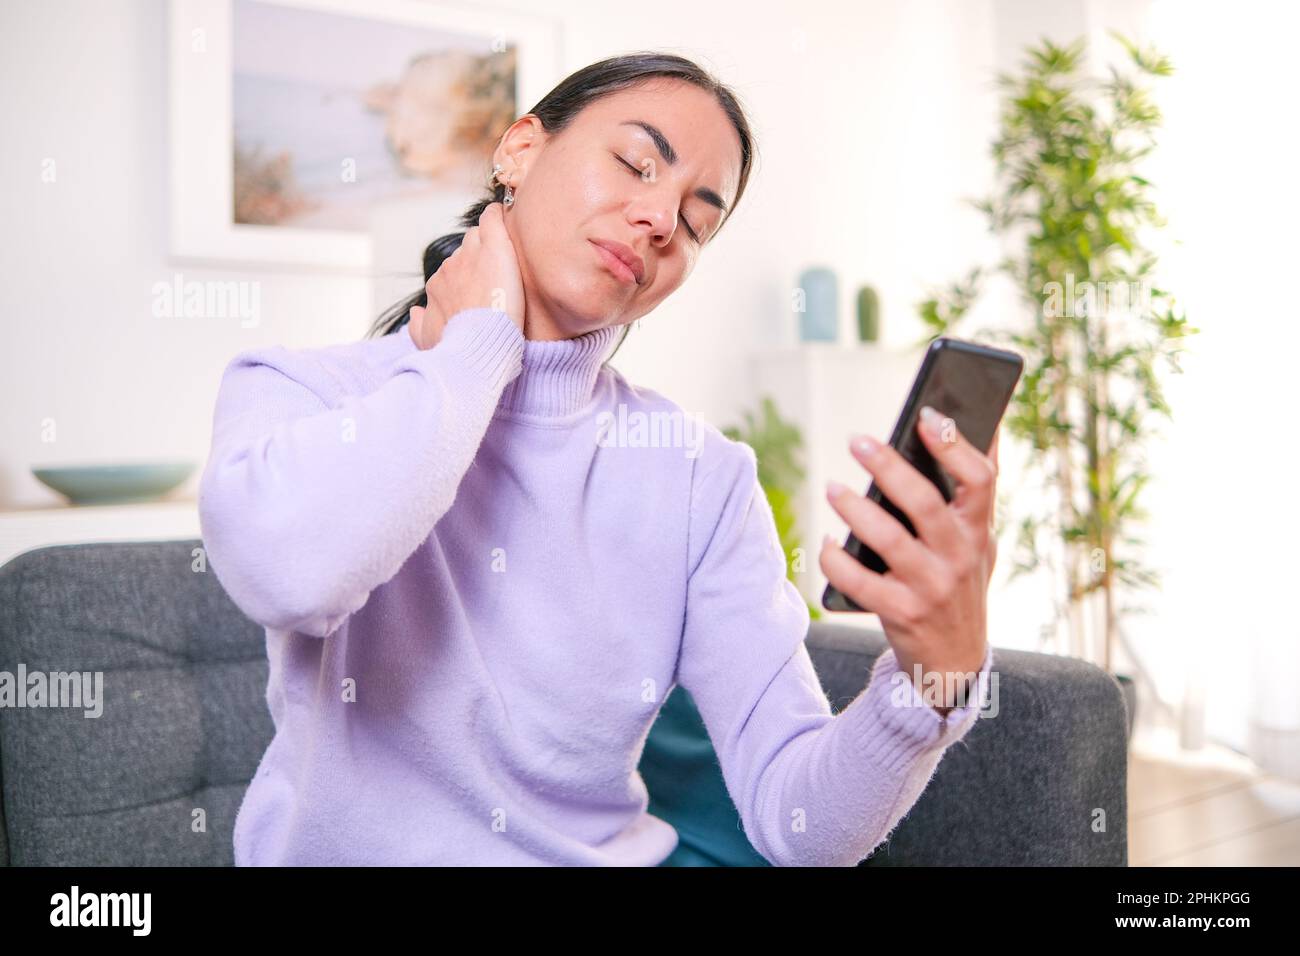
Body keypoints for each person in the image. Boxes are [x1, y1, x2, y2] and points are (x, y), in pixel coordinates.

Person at [198, 50, 998, 867]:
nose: (659, 220)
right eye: (635, 162)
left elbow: (802, 827)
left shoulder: (699, 478)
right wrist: (478, 352)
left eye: (695, 222)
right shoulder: (305, 391)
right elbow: (289, 575)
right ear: (518, 150)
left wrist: (931, 682)